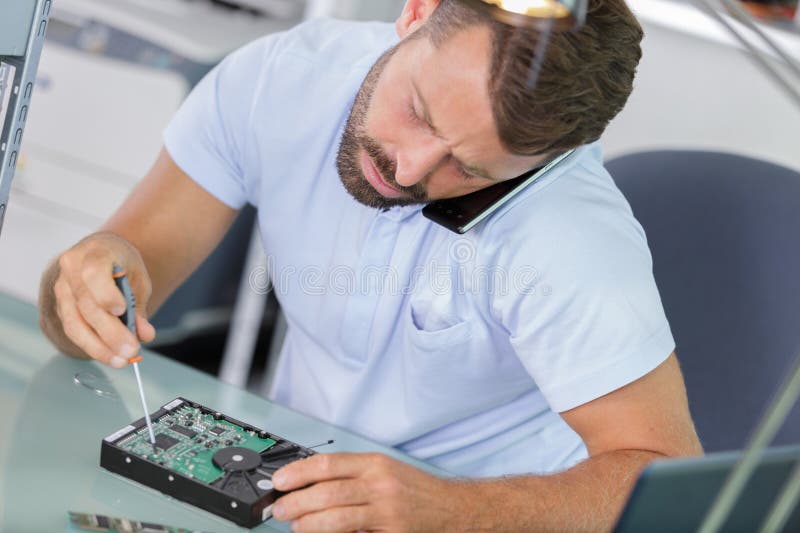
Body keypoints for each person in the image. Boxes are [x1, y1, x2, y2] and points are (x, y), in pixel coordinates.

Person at [38, 0, 702, 530]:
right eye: (418, 110)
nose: (408, 169)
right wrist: (81, 284)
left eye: (466, 169)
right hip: (300, 490)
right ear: (417, 11)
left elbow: (667, 481)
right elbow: (95, 293)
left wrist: (455, 511)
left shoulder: (570, 231)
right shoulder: (281, 80)